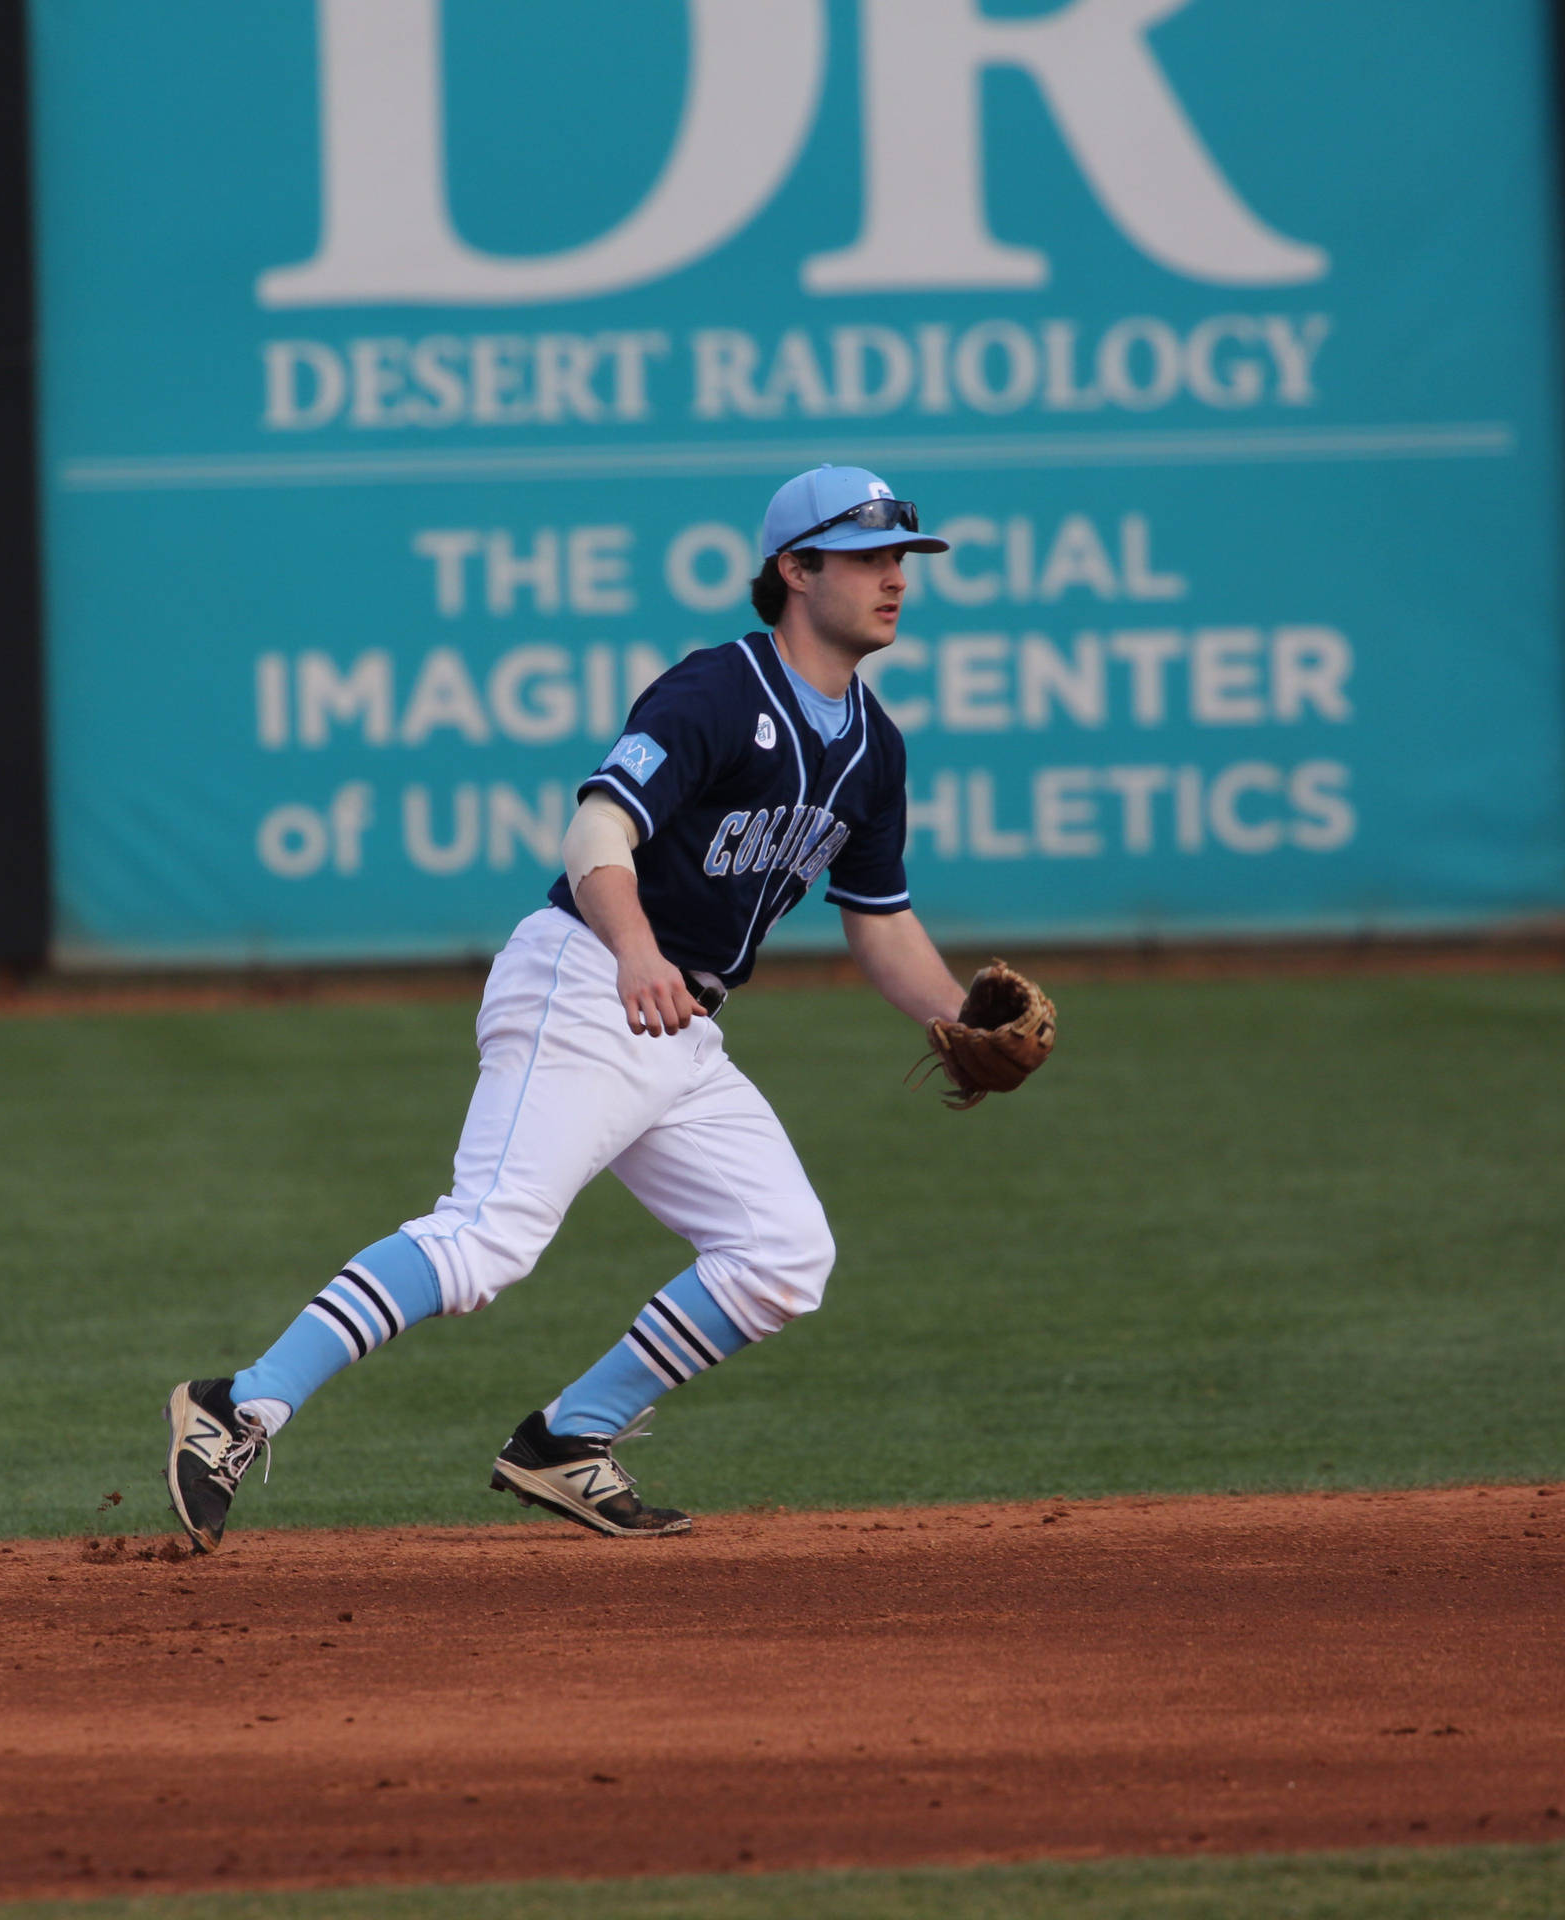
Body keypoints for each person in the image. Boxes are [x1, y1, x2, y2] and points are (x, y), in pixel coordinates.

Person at [166, 466, 975, 1551]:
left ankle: (564, 1440)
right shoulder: (716, 691)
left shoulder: (875, 747)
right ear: (796, 569)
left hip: (678, 1020)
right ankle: (238, 1406)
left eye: (901, 560)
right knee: (484, 1242)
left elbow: (880, 922)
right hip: (589, 977)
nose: (894, 580)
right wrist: (636, 952)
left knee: (782, 1255)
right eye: (869, 556)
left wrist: (958, 1018)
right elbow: (598, 830)